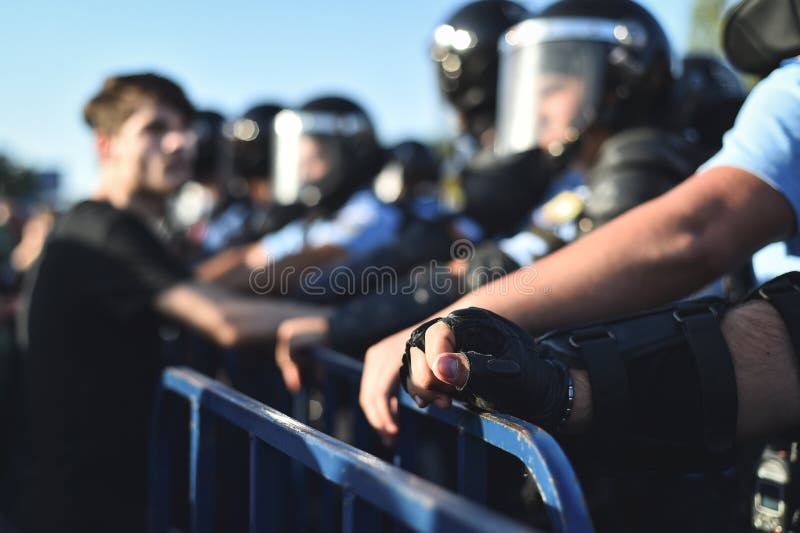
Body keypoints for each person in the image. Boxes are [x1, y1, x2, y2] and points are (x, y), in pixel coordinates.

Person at [360, 0, 800, 444]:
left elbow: (692, 234)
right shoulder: (565, 179)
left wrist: (448, 322)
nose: (537, 107)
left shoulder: (646, 164)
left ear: (614, 84)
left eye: (551, 88)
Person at [16, 73, 325, 533]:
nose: (181, 143)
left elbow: (214, 295)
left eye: (184, 128)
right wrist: (353, 320)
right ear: (108, 145)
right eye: (155, 129)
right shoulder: (102, 229)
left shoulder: (119, 228)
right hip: (81, 508)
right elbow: (223, 319)